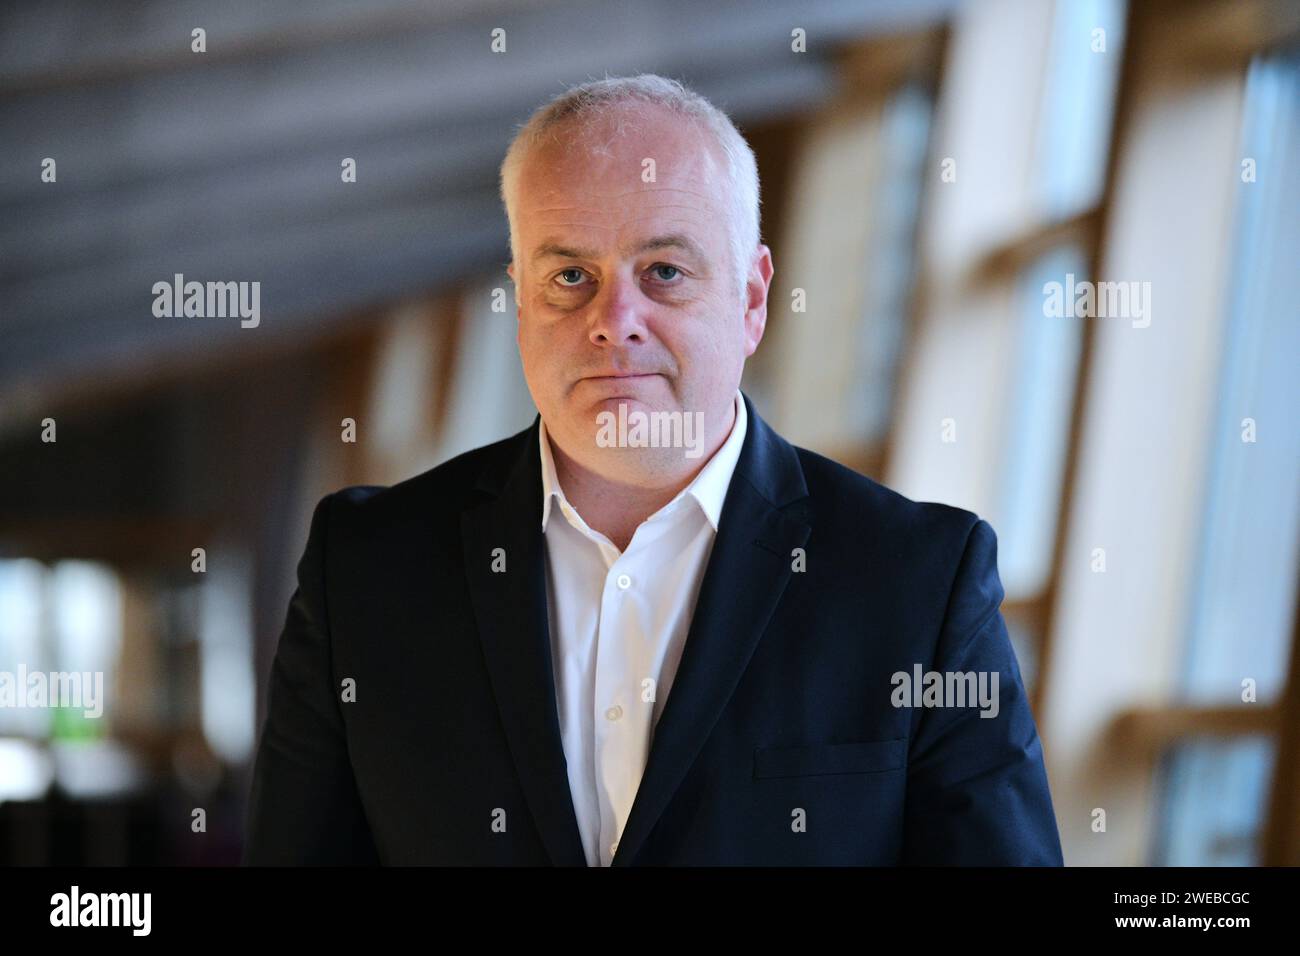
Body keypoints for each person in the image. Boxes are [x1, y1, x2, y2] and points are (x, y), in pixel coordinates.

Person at [244, 74, 1064, 866]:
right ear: (521, 302)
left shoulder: (918, 582)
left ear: (751, 299)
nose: (614, 323)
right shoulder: (364, 570)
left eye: (664, 273)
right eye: (571, 277)